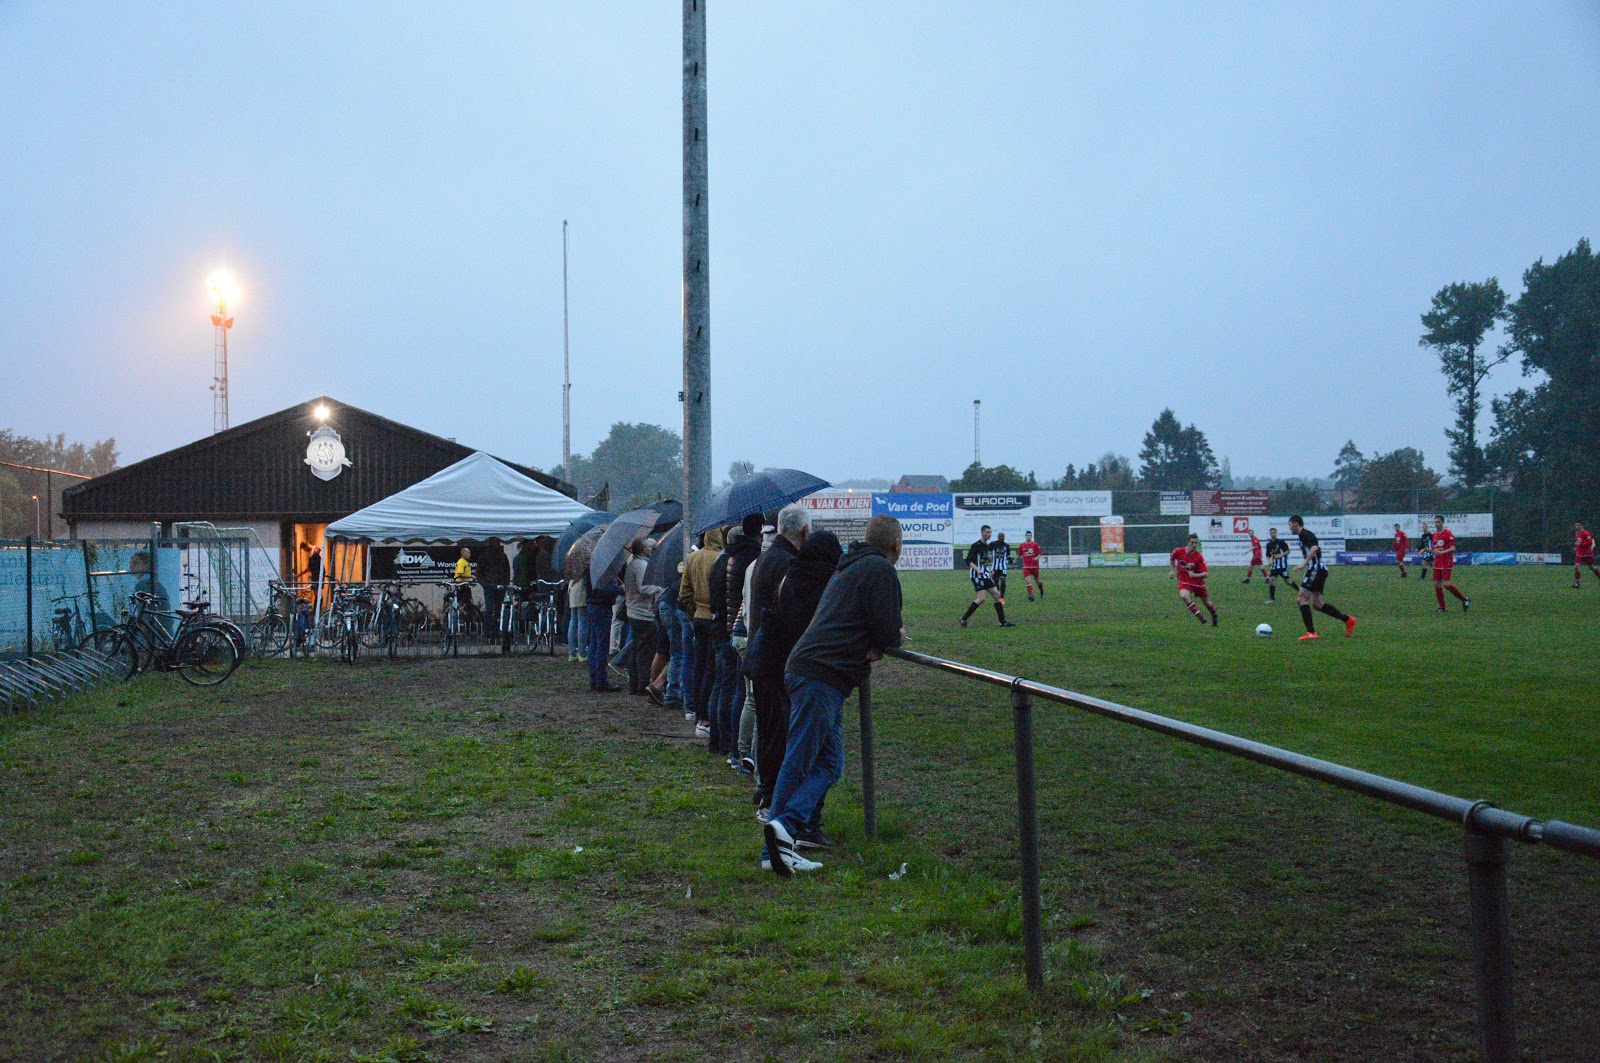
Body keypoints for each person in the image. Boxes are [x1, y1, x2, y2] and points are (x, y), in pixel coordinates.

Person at [763, 516, 904, 876]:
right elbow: (887, 631)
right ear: (896, 546)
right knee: (801, 759)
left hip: (817, 672)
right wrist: (887, 640)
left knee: (829, 763)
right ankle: (777, 841)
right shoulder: (879, 569)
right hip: (820, 677)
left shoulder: (849, 564)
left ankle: (783, 836)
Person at [748, 504, 811, 818]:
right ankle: (771, 799)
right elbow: (789, 613)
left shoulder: (766, 558)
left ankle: (765, 790)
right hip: (776, 658)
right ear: (803, 531)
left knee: (768, 727)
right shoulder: (787, 562)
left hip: (761, 655)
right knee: (777, 732)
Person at [679, 526, 726, 738]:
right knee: (711, 668)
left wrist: (694, 609)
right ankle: (707, 716)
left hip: (697, 616)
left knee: (697, 666)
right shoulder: (721, 559)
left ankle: (696, 712)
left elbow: (684, 592)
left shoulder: (693, 558)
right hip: (714, 618)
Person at [1288, 515, 1355, 641]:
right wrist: (1308, 568)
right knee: (1318, 604)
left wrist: (1303, 564)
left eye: (1290, 524)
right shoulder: (1303, 536)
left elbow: (1314, 548)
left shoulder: (1305, 534)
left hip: (1317, 570)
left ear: (1296, 523)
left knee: (1301, 598)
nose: (1289, 527)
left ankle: (1311, 632)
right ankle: (1348, 620)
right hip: (1318, 569)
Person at [623, 538, 660, 695]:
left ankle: (634, 683)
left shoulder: (633, 564)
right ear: (643, 549)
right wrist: (659, 587)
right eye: (649, 547)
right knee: (645, 652)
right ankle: (642, 685)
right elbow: (644, 588)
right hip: (642, 613)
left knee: (636, 648)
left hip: (633, 611)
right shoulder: (641, 565)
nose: (650, 550)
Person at [959, 525, 1013, 628]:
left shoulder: (987, 546)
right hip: (976, 575)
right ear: (982, 532)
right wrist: (977, 569)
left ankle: (1002, 622)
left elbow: (985, 561)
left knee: (997, 594)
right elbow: (968, 561)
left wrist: (990, 569)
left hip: (986, 575)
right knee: (981, 599)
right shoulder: (976, 545)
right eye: (987, 532)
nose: (989, 534)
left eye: (990, 532)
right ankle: (963, 618)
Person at [586, 568, 623, 692]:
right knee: (601, 645)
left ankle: (595, 677)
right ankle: (601, 680)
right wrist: (620, 589)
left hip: (594, 606)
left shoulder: (592, 568)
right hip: (602, 607)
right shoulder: (602, 571)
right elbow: (603, 590)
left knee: (594, 644)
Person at [1170, 533, 1217, 625]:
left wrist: (1194, 575)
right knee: (1184, 596)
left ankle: (1214, 615)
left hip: (1198, 583)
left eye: (1196, 543)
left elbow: (1205, 574)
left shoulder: (1199, 556)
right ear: (1188, 542)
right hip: (1184, 580)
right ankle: (1200, 616)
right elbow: (1172, 559)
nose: (1194, 545)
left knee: (1206, 602)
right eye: (1192, 542)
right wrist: (1172, 571)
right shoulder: (1178, 551)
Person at [1429, 515, 1470, 613]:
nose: (1436, 524)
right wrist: (1428, 550)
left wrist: (1441, 552)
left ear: (1442, 522)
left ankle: (1465, 599)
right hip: (1437, 562)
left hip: (1446, 562)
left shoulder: (1447, 533)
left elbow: (1453, 548)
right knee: (1437, 584)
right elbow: (1435, 548)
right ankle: (1443, 607)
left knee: (1446, 584)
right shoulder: (1434, 534)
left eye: (1438, 522)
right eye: (1435, 522)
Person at [477, 539, 511, 636]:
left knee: (498, 610)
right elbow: (479, 573)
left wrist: (505, 584)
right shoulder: (485, 556)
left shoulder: (502, 556)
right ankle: (487, 631)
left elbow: (506, 571)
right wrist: (485, 584)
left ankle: (496, 630)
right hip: (490, 587)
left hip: (499, 587)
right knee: (490, 609)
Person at [1263, 527, 1292, 602]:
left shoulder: (1281, 542)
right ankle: (1271, 599)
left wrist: (1281, 555)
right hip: (1274, 566)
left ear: (1276, 533)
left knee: (1288, 581)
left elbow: (1288, 551)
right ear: (1269, 534)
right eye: (1271, 533)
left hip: (1282, 566)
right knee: (1272, 580)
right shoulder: (1269, 544)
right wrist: (1269, 561)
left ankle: (1300, 591)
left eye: (1274, 532)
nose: (1273, 534)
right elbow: (1267, 555)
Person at [566, 571, 588, 662]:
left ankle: (572, 653)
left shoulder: (570, 557)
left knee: (573, 621)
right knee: (582, 622)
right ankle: (582, 653)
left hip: (572, 589)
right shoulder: (585, 558)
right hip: (581, 590)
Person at [1017, 530, 1044, 601]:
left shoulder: (1035, 544)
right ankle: (1030, 595)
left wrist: (1036, 558)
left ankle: (1041, 590)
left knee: (1038, 581)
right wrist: (1015, 560)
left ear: (1031, 536)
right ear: (1025, 536)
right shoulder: (1022, 545)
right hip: (1026, 566)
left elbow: (1040, 553)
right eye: (1027, 535)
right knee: (1028, 581)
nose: (1029, 537)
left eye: (1030, 535)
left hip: (1034, 566)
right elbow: (1019, 553)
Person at [1574, 521, 1597, 589]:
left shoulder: (1586, 533)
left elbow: (1589, 543)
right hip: (1579, 553)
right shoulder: (1577, 533)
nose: (1577, 527)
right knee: (1576, 567)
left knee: (1591, 567)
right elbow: (1579, 542)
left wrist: (1580, 545)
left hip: (1587, 553)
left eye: (1578, 525)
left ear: (1582, 526)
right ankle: (1577, 584)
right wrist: (1576, 548)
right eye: (1576, 525)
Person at [453, 546, 474, 613]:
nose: (469, 554)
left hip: (465, 584)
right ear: (463, 553)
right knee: (466, 602)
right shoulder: (461, 562)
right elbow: (460, 574)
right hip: (462, 585)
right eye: (468, 553)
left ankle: (467, 614)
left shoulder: (465, 562)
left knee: (467, 602)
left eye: (469, 553)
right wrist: (472, 576)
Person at [992, 532, 1011, 599]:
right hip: (995, 567)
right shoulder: (993, 544)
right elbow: (987, 551)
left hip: (1003, 567)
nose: (1002, 538)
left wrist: (1011, 562)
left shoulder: (1006, 545)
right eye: (1000, 536)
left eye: (1003, 536)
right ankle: (998, 595)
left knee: (1003, 580)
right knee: (995, 582)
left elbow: (1008, 555)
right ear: (998, 537)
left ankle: (1002, 597)